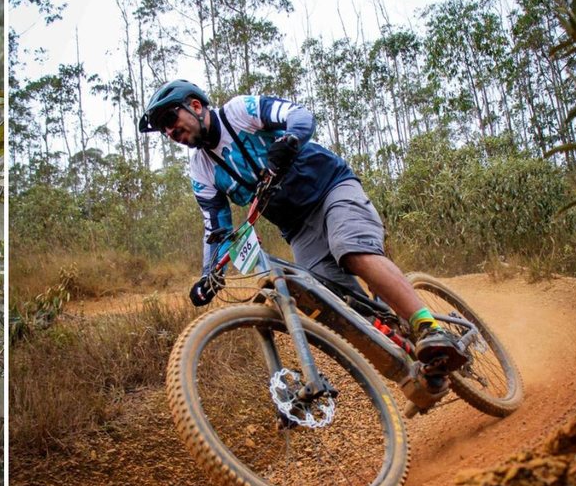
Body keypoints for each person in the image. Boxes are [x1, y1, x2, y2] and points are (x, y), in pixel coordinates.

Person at [138, 79, 466, 390]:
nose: (169, 131)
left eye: (170, 118)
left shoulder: (238, 112)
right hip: (298, 228)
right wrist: (210, 274)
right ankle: (419, 371)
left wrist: (289, 139)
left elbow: (299, 115)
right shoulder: (201, 169)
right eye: (163, 129)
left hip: (331, 189)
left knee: (349, 250)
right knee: (335, 308)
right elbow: (216, 228)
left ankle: (429, 326)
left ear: (195, 105)